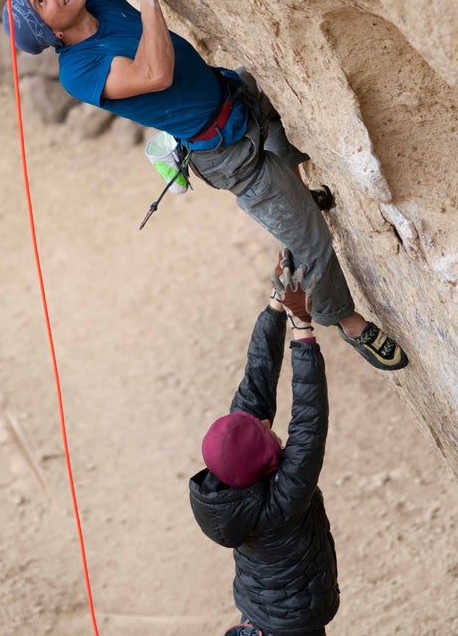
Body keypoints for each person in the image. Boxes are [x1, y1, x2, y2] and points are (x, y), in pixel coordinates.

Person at [0, 0, 408, 372]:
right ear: (53, 34)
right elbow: (155, 73)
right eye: (42, 0)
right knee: (310, 239)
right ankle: (347, 321)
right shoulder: (80, 70)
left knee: (285, 135)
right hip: (227, 154)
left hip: (235, 93)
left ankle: (296, 196)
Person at [189, 250, 339, 636]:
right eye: (264, 431)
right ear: (263, 462)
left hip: (260, 607)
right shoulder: (282, 502)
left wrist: (277, 304)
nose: (266, 422)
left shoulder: (229, 472)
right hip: (294, 623)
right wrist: (302, 329)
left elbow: (258, 374)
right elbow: (308, 422)